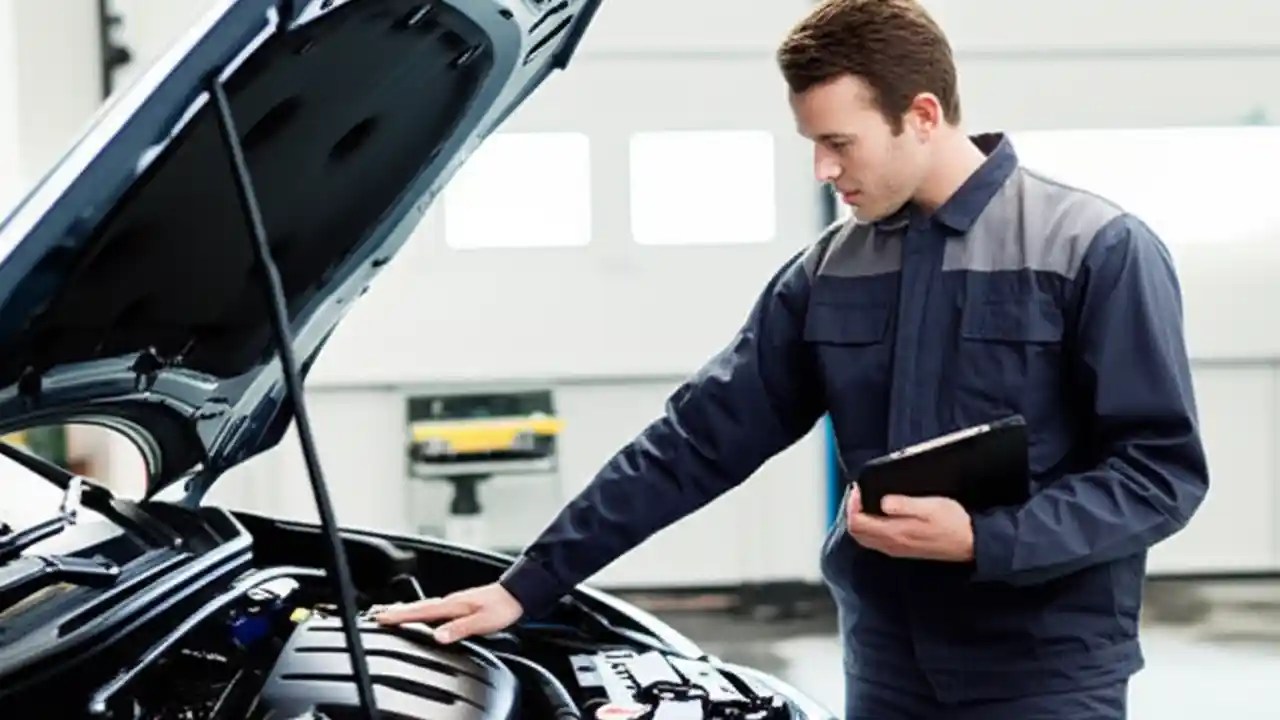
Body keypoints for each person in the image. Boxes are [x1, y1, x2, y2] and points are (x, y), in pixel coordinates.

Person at [375, 1, 1210, 717]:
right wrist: (528, 585)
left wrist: (988, 540)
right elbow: (696, 442)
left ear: (921, 115)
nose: (823, 168)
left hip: (1043, 672)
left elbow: (1157, 473)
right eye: (812, 142)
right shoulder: (830, 270)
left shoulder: (1094, 248)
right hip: (886, 661)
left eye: (840, 142)